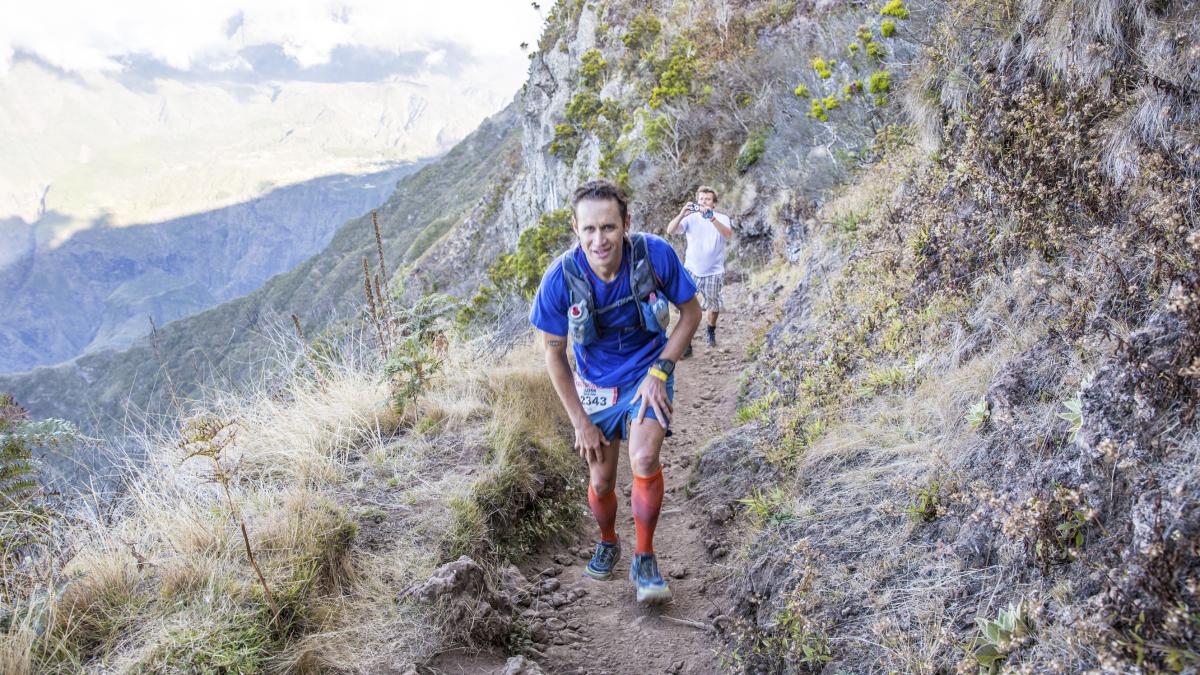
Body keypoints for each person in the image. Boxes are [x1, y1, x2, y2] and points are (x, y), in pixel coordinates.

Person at [529, 179, 701, 604]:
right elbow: (555, 356)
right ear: (576, 228)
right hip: (595, 386)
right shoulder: (560, 279)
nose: (599, 239)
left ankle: (645, 558)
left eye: (608, 227)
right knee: (602, 481)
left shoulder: (654, 254)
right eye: (589, 229)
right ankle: (608, 540)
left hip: (647, 372)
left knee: (643, 458)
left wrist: (660, 370)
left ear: (626, 223)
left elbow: (691, 313)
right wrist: (580, 423)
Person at [666, 186, 732, 353]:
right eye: (701, 199)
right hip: (691, 270)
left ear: (714, 203)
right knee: (686, 305)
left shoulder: (722, 218)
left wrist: (711, 218)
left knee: (713, 305)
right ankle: (687, 342)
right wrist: (682, 213)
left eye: (707, 199)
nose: (703, 202)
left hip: (714, 271)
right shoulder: (691, 218)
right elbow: (670, 230)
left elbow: (727, 234)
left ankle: (710, 330)